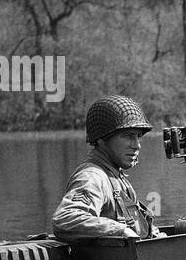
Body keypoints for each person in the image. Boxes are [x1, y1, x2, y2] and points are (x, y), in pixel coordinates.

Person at [53, 96, 163, 240]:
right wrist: (120, 231)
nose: (137, 145)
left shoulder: (116, 177)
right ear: (102, 139)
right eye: (128, 136)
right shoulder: (92, 177)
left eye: (137, 137)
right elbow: (66, 219)